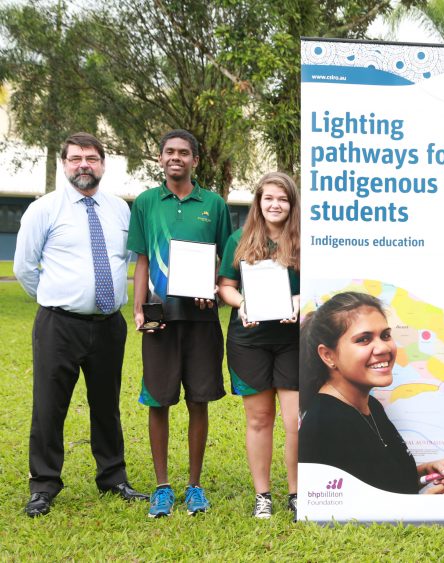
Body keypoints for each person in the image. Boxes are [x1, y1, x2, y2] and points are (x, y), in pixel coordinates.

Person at [14, 132, 148, 517]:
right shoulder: (44, 209)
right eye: (75, 159)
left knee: (106, 404)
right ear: (64, 164)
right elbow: (24, 267)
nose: (83, 164)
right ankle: (44, 485)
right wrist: (59, 298)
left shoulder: (121, 209)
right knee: (49, 405)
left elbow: (130, 260)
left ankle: (113, 477)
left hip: (109, 323)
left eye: (91, 157)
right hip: (59, 324)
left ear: (103, 164)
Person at [128, 129, 232, 518]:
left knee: (198, 399)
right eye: (170, 152)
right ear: (160, 159)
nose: (176, 157)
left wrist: (214, 288)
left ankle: (195, 486)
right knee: (158, 399)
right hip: (160, 318)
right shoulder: (146, 203)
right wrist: (138, 308)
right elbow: (140, 260)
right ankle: (162, 487)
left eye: (184, 152)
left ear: (195, 161)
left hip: (202, 319)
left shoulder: (215, 204)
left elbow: (225, 261)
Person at [299, 292, 444, 495]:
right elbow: (343, 512)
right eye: (364, 339)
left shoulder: (371, 405)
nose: (383, 347)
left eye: (385, 335)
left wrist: (426, 472)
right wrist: (423, 508)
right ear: (328, 355)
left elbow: (381, 481)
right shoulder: (325, 423)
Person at [217, 172, 301, 519]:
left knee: (296, 421)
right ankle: (262, 495)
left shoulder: (304, 241)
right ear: (259, 202)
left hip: (292, 340)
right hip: (249, 340)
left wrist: (298, 301)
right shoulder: (239, 238)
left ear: (291, 204)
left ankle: (297, 493)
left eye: (282, 199)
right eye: (268, 198)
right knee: (259, 419)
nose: (275, 205)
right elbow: (226, 286)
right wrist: (242, 305)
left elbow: (314, 287)